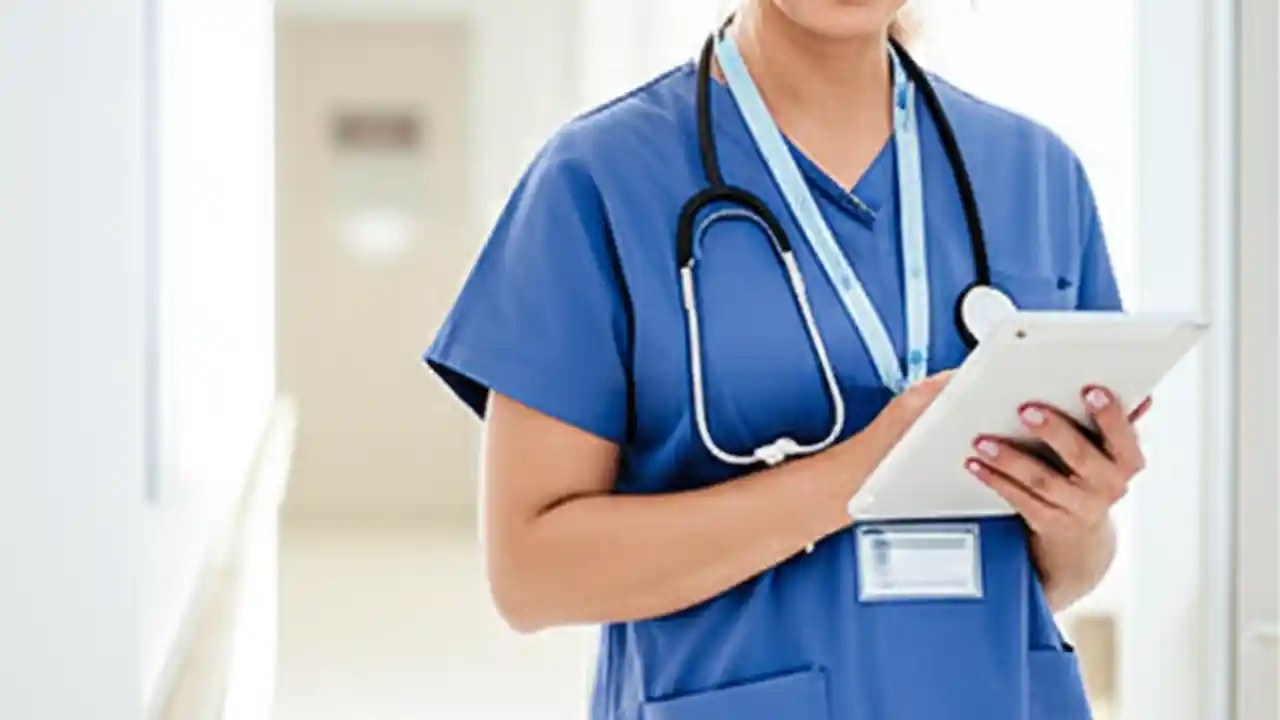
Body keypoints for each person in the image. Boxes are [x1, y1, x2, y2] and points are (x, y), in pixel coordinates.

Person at [424, 1, 1149, 717]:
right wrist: (858, 475)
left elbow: (1060, 576)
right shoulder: (600, 177)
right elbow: (532, 577)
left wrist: (1076, 516)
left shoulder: (1036, 176)